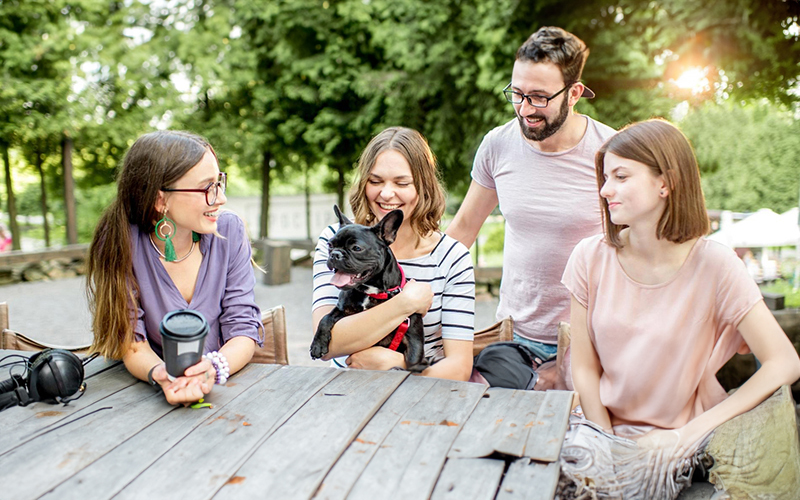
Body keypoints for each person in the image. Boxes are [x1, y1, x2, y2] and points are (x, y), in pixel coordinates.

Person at [561, 119, 800, 474]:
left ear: (666, 183)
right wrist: (606, 442)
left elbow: (784, 362)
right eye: (606, 177)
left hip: (684, 445)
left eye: (621, 177)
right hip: (599, 432)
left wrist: (685, 436)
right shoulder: (588, 257)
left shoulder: (717, 265)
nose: (605, 190)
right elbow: (583, 367)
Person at [446, 26, 615, 370]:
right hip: (512, 338)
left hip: (591, 340)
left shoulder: (610, 152)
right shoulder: (497, 145)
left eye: (539, 97)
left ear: (573, 93)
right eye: (517, 93)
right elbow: (462, 230)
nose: (524, 109)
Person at [87, 131, 262, 406]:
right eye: (207, 188)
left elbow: (242, 328)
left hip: (228, 393)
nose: (220, 198)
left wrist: (213, 368)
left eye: (219, 183)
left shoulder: (230, 229)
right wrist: (162, 375)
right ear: (161, 200)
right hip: (142, 401)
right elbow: (130, 341)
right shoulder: (119, 239)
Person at [312, 127, 475, 381]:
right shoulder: (336, 239)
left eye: (402, 183)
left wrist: (397, 364)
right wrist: (405, 303)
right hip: (345, 388)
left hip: (423, 390)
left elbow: (459, 369)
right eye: (375, 181)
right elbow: (326, 345)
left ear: (423, 187)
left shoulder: (452, 257)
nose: (386, 193)